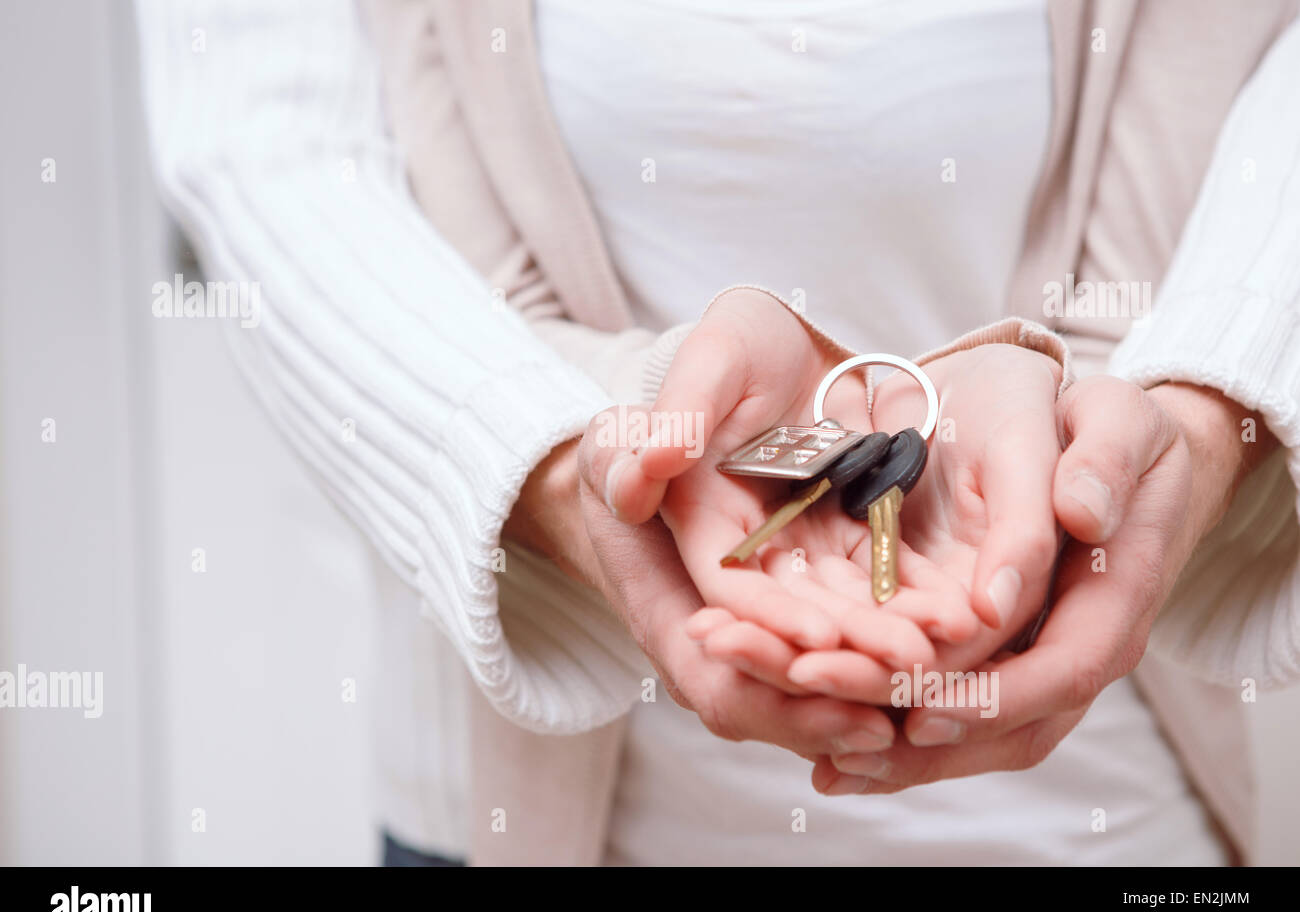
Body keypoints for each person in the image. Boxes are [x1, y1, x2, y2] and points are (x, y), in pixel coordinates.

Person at [137, 0, 1300, 864]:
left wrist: (1206, 415)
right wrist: (557, 470)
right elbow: (264, 153)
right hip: (502, 813)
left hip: (1139, 832)